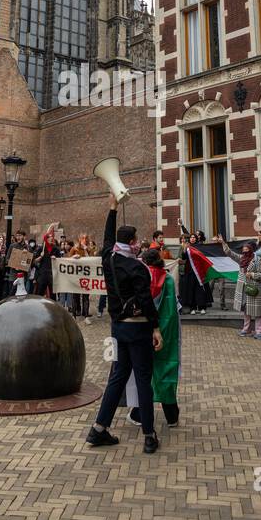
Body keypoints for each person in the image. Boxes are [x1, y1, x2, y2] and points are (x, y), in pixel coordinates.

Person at [85, 193, 163, 454]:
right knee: (143, 379)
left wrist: (112, 207)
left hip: (117, 328)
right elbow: (146, 301)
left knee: (117, 377)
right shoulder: (137, 268)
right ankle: (149, 435)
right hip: (138, 328)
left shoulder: (108, 258)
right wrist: (155, 327)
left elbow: (107, 238)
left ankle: (98, 429)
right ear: (131, 242)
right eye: (136, 240)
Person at [127, 247, 181, 429]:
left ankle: (139, 414)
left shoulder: (141, 280)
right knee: (166, 369)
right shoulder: (169, 280)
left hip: (145, 329)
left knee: (144, 374)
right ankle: (172, 416)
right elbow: (174, 307)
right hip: (168, 332)